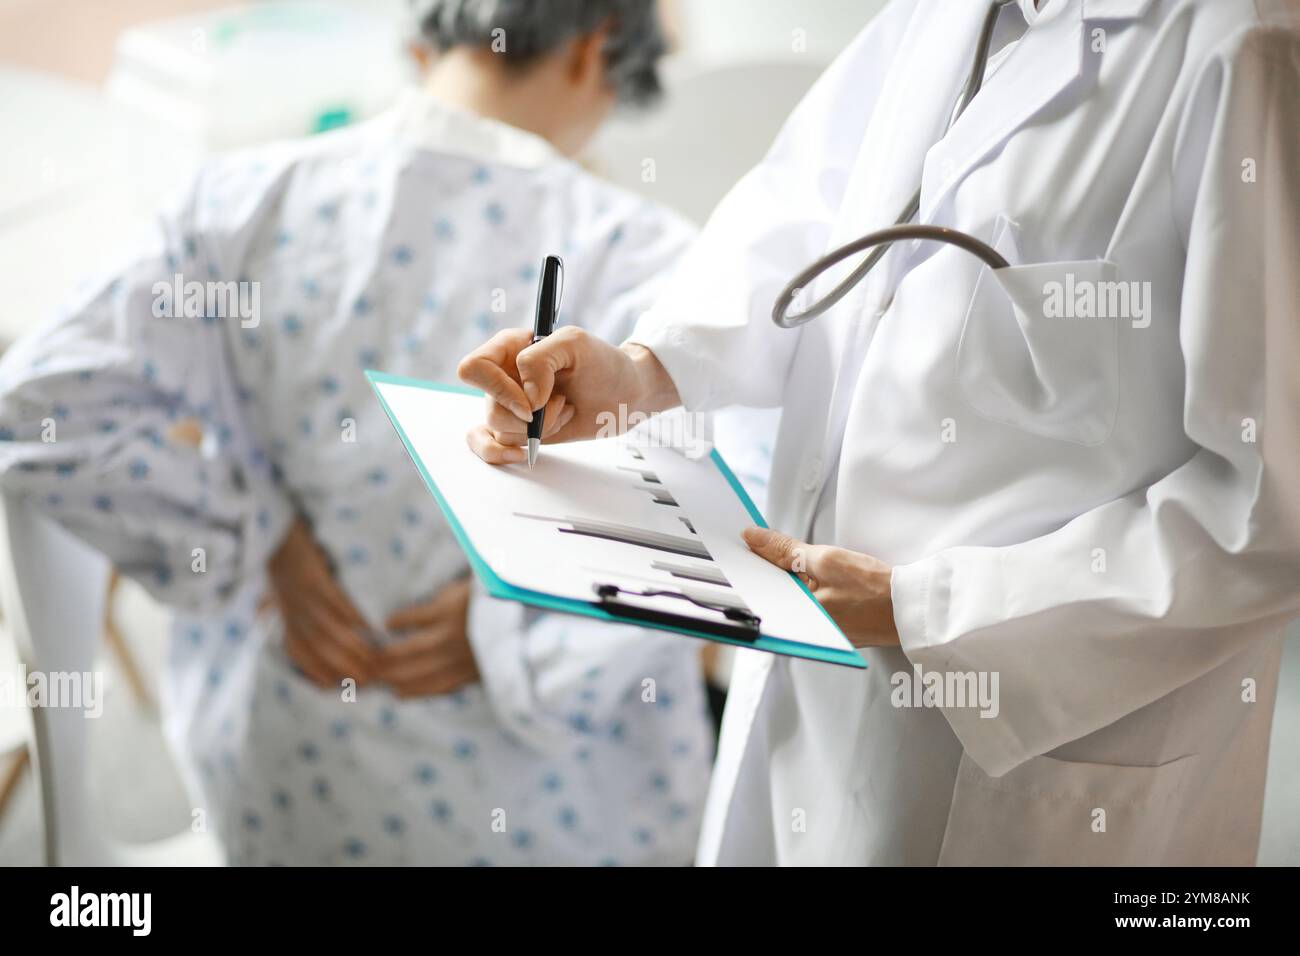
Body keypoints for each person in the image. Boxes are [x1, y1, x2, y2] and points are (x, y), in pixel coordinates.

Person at [459, 0, 1300, 865]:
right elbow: (805, 211)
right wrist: (642, 373)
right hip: (812, 669)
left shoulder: (1249, 48)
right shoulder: (940, 15)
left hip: (1024, 763)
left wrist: (928, 611)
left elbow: (1272, 513)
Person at [0, 0, 719, 865]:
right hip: (551, 806)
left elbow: (39, 406)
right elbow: (713, 548)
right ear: (596, 48)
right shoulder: (646, 252)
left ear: (428, 42)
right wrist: (513, 628)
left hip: (289, 776)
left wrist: (256, 537)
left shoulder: (238, 199)